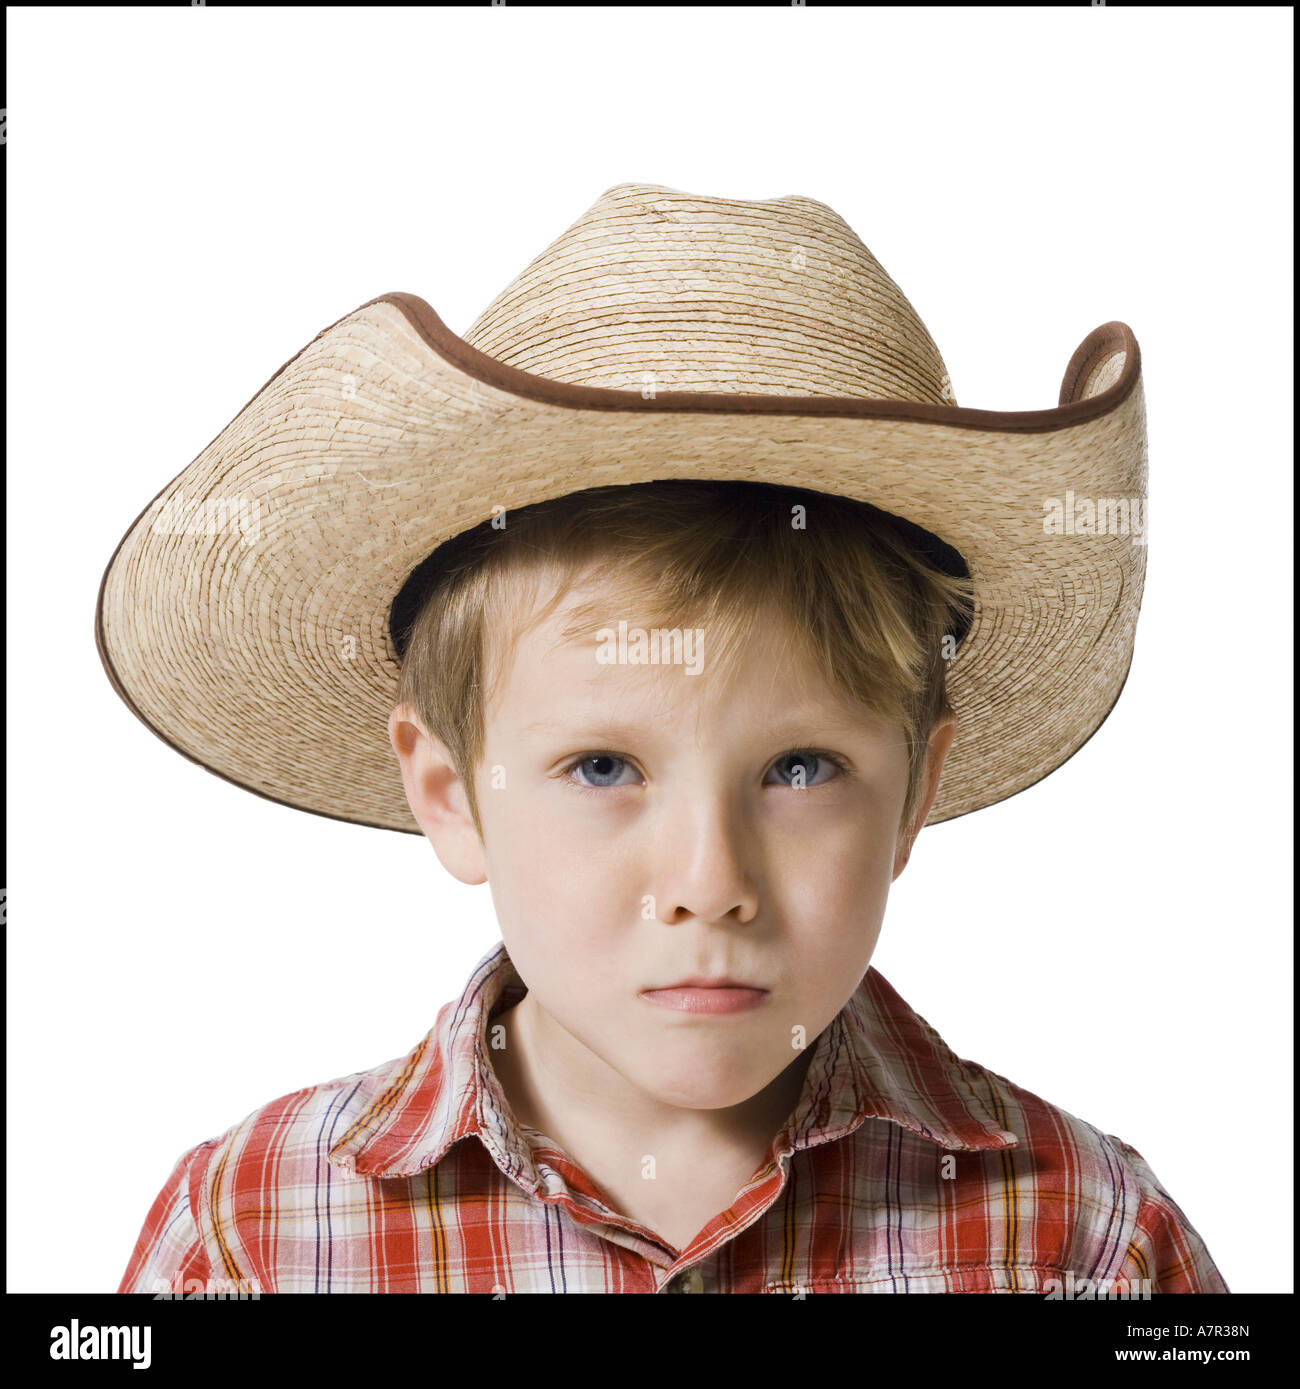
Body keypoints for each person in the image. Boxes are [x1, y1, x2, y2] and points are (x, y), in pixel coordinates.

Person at [103, 183, 1225, 1294]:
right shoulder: (254, 1240)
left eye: (799, 768)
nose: (707, 885)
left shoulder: (1083, 1243)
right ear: (448, 792)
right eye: (603, 767)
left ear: (912, 797)